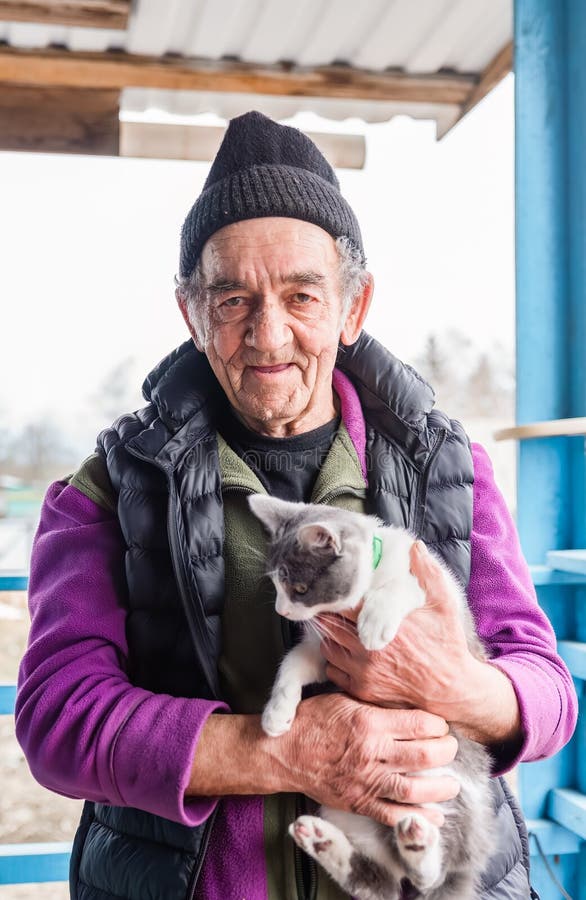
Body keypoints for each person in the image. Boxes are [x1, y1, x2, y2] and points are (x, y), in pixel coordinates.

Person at [16, 111, 576, 900]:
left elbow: (548, 692)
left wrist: (460, 686)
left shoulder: (451, 469)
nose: (267, 333)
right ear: (191, 311)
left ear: (353, 306)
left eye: (303, 295)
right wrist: (278, 750)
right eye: (233, 298)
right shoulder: (107, 489)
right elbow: (58, 719)